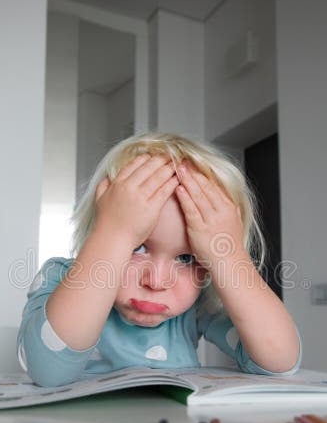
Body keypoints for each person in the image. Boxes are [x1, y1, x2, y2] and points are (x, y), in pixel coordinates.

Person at [18, 132, 301, 386]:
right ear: (98, 231)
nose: (156, 281)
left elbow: (280, 363)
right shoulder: (58, 276)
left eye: (186, 258)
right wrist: (114, 235)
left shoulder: (198, 305)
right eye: (138, 247)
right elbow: (48, 371)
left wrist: (228, 257)